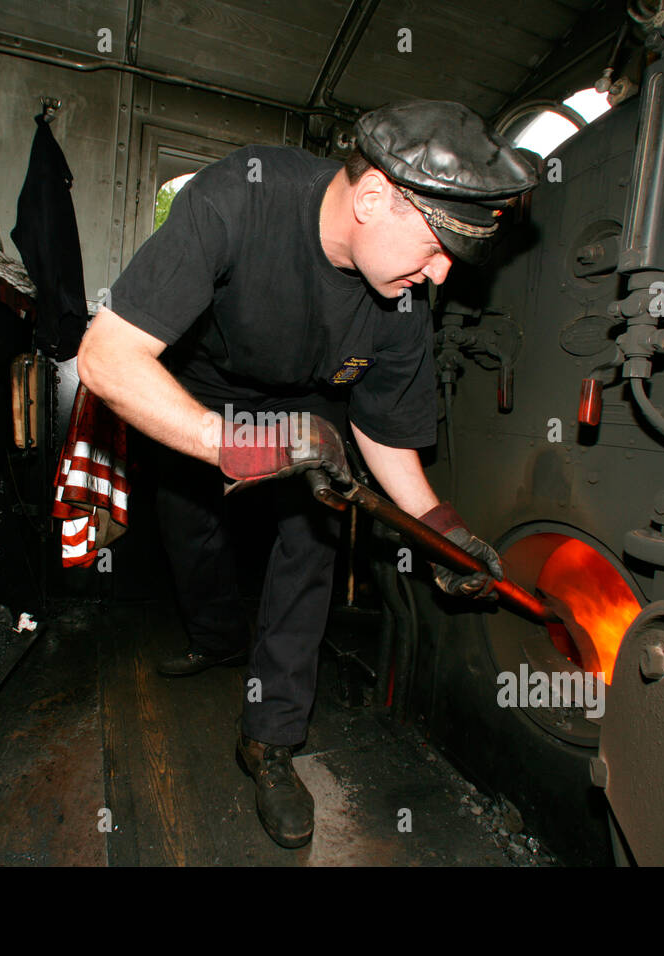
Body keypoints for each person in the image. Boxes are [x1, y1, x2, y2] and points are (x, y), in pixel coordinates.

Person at [76, 100, 538, 848]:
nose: (443, 269)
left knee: (316, 534)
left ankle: (270, 738)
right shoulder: (239, 196)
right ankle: (218, 635)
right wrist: (243, 447)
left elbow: (383, 433)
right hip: (201, 390)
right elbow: (105, 359)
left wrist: (440, 529)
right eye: (435, 244)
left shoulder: (403, 301)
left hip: (309, 399)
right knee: (188, 524)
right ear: (372, 197)